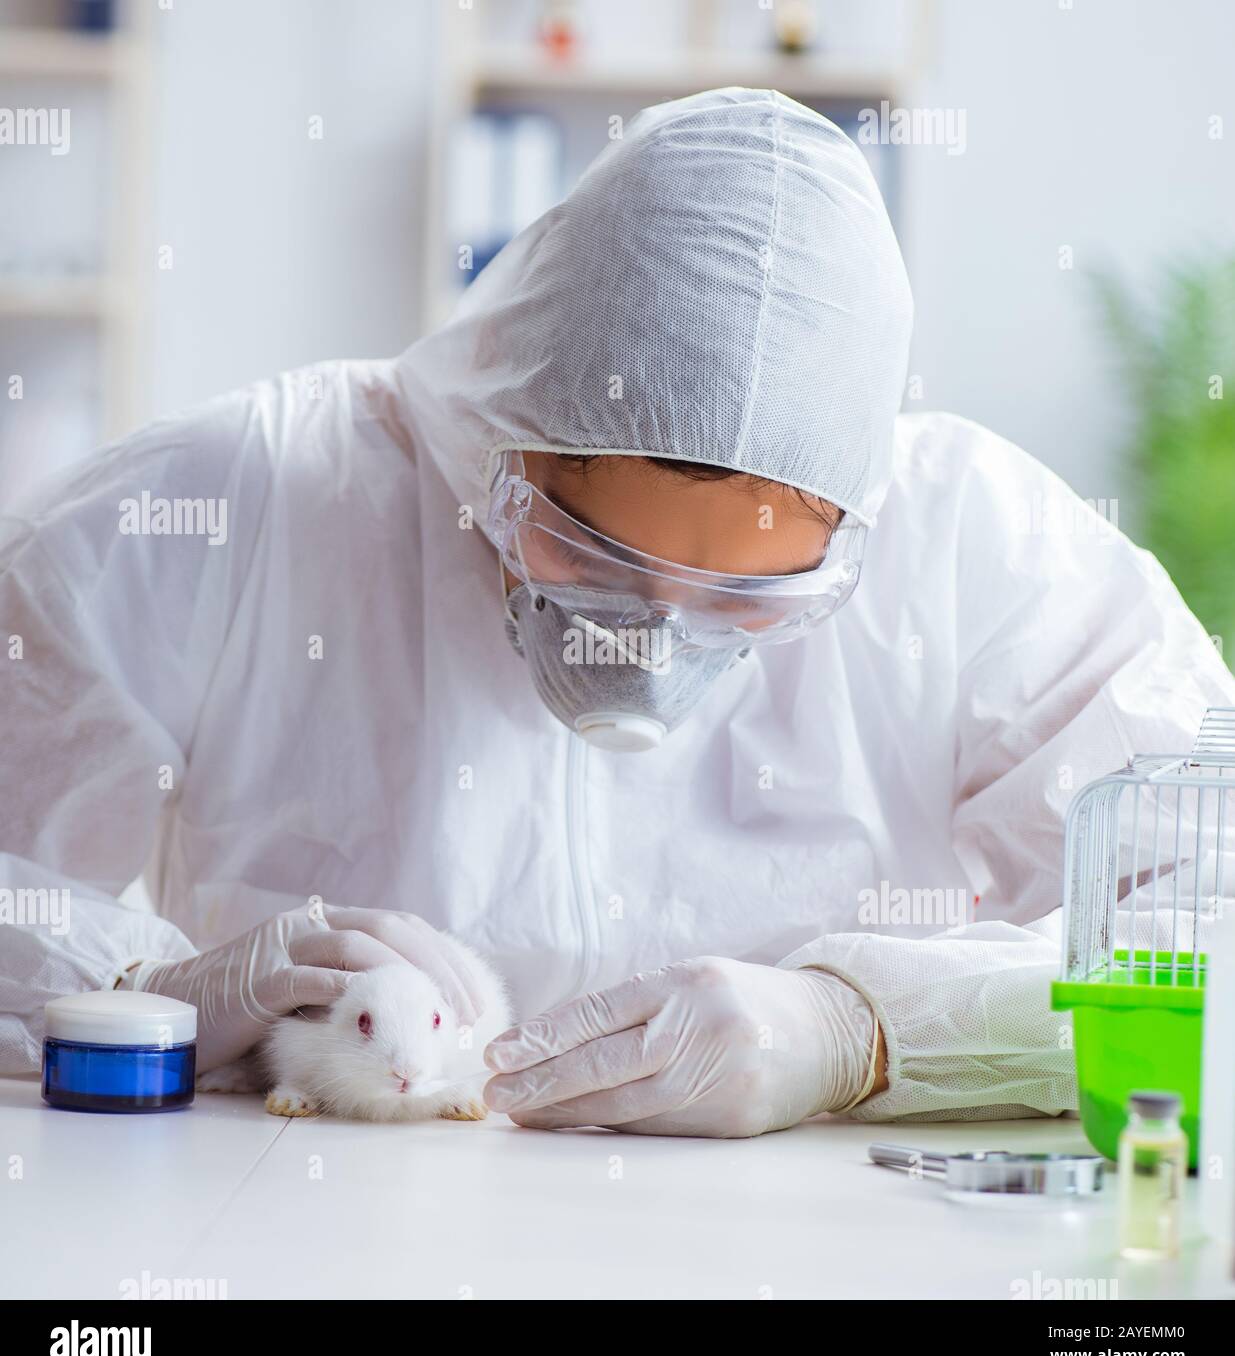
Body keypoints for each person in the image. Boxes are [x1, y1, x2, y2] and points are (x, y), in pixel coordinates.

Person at [1, 89, 1229, 1137]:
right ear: (507, 441)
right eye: (592, 559)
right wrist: (145, 991)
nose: (653, 648)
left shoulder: (978, 548)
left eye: (746, 597)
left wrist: (866, 1030)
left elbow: (1202, 910)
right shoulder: (240, 501)